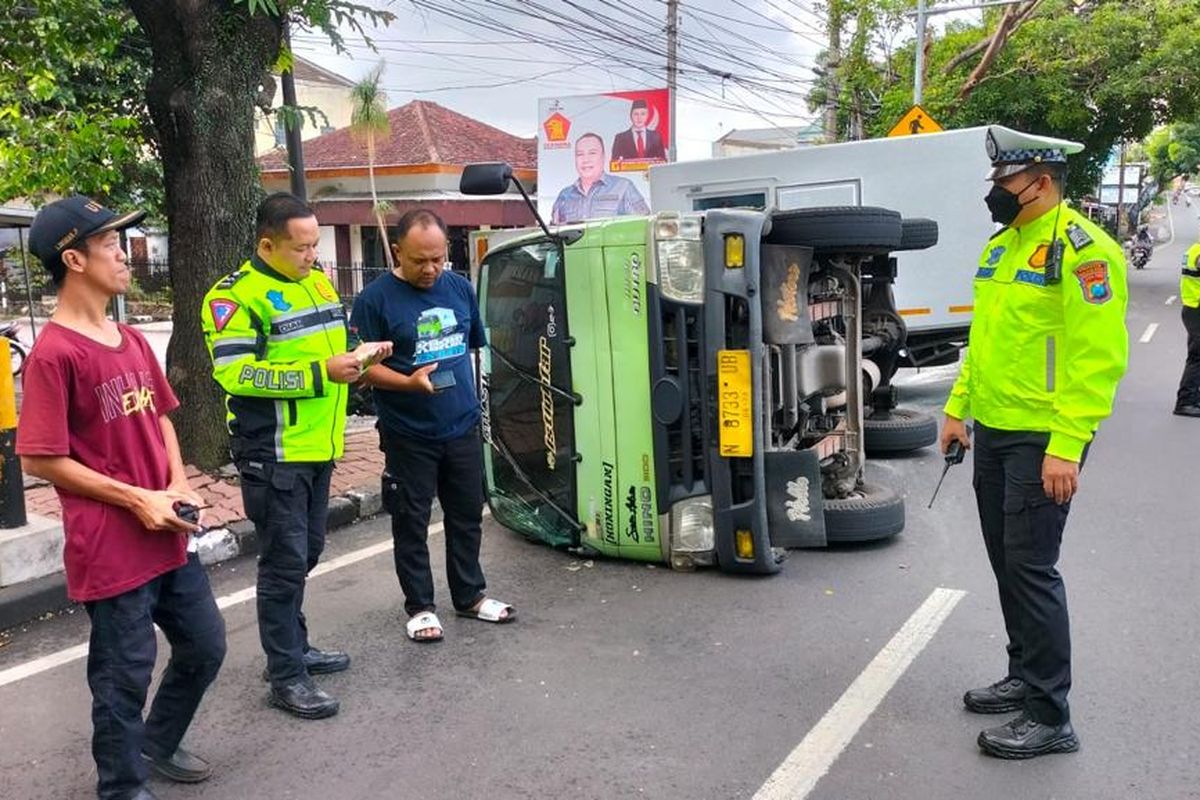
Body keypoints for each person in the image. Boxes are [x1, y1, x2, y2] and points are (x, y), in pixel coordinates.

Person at [18, 196, 226, 800]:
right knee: (122, 678)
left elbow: (160, 415)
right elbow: (39, 456)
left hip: (167, 534)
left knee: (205, 645)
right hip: (111, 548)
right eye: (110, 242)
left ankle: (157, 741)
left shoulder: (131, 339)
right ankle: (123, 786)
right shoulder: (55, 354)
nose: (124, 252)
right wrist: (136, 500)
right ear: (74, 258)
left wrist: (178, 483)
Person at [941, 128, 1128, 759]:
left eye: (1004, 182)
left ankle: (1051, 716)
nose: (995, 193)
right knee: (1006, 563)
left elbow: (1097, 358)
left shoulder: (1085, 253)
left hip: (1041, 437)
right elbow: (983, 341)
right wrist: (957, 410)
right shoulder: (1003, 248)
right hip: (993, 430)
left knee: (1032, 569)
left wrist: (1067, 444)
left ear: (1040, 182)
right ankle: (1025, 677)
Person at [202, 192, 389, 720]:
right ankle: (286, 674)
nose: (313, 255)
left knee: (304, 552)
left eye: (315, 244)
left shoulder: (317, 282)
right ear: (267, 244)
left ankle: (293, 646)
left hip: (320, 446)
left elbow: (331, 347)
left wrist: (361, 355)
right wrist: (318, 375)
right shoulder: (236, 298)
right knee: (284, 564)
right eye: (302, 247)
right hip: (275, 451)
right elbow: (236, 374)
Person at [350, 208, 516, 644]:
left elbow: (471, 349)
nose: (430, 269)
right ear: (397, 250)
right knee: (412, 520)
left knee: (466, 516)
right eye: (420, 260)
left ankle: (470, 596)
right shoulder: (375, 300)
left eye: (438, 258)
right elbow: (360, 369)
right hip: (408, 431)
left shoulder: (460, 288)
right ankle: (421, 607)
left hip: (460, 424)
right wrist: (407, 381)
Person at [551, 132, 650, 225]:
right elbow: (553, 232)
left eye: (592, 153)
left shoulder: (624, 188)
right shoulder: (565, 195)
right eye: (580, 154)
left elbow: (645, 225)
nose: (586, 160)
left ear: (603, 157)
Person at [1174, 236, 1200, 416]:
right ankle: (1185, 401)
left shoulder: (1194, 250)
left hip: (1191, 308)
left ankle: (1193, 397)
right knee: (1197, 357)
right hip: (1197, 308)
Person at [610, 98, 666, 163]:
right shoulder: (620, 138)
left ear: (647, 115)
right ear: (631, 116)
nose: (639, 118)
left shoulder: (656, 137)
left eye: (643, 114)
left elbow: (663, 161)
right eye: (636, 114)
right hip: (628, 173)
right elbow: (614, 162)